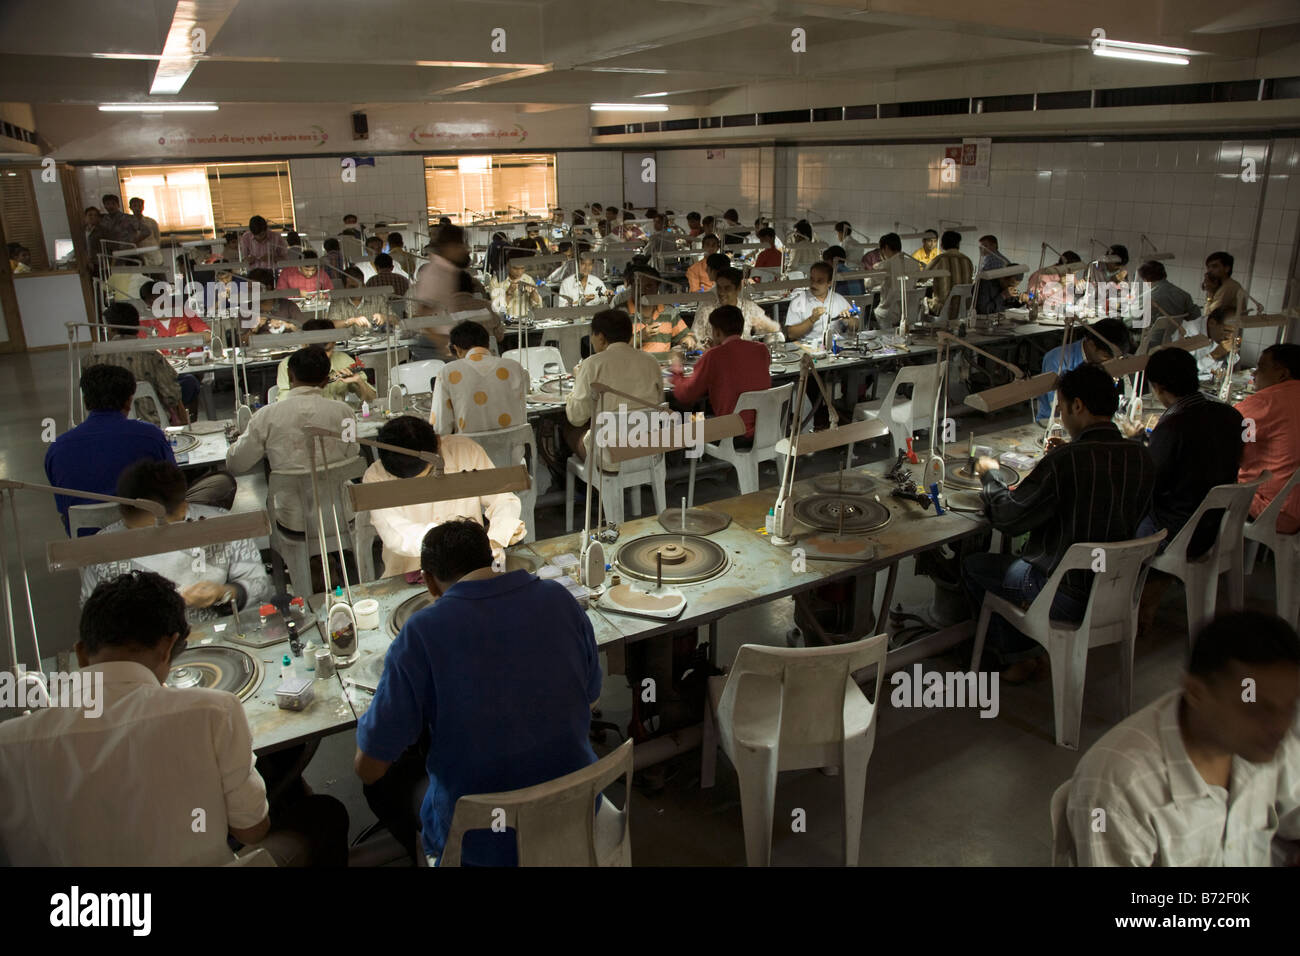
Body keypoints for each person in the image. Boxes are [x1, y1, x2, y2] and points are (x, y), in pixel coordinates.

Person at [0, 570, 349, 866]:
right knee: (322, 815)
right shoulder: (213, 712)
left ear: (80, 653)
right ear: (168, 648)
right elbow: (251, 830)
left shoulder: (9, 744)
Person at [354, 519, 601, 867]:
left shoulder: (421, 633)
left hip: (481, 842)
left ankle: (429, 856)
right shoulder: (559, 598)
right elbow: (592, 700)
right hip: (574, 811)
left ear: (427, 581)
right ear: (492, 561)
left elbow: (369, 768)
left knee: (389, 782)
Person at [964, 363, 1156, 681]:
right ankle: (1028, 647)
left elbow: (1010, 519)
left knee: (976, 566)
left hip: (1066, 595)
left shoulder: (1066, 461)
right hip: (1119, 590)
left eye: (1063, 407)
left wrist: (990, 475)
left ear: (1077, 405)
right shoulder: (1141, 456)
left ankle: (1018, 656)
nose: (1062, 416)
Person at [1063, 611, 1300, 866]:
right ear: (1196, 693)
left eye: (1290, 706)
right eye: (1256, 708)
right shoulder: (1118, 793)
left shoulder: (1266, 741)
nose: (1280, 725)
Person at [45, 365, 236, 534]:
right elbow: (176, 488)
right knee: (222, 481)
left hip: (89, 543)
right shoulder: (149, 435)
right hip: (148, 533)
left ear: (86, 401)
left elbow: (64, 509)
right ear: (129, 401)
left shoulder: (56, 449)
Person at [80, 460, 272, 624]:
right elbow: (91, 613)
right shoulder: (106, 547)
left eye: (154, 532)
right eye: (133, 530)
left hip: (212, 631)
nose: (144, 541)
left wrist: (223, 593)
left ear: (182, 509)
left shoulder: (219, 527)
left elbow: (258, 584)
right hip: (140, 644)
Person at [361, 417, 525, 584]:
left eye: (427, 472)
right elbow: (396, 534)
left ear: (438, 442)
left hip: (472, 570)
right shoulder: (376, 478)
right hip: (410, 574)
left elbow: (503, 499)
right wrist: (460, 545)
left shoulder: (465, 452)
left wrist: (496, 536)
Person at [226, 346, 361, 533]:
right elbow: (352, 453)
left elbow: (236, 464)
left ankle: (309, 559)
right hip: (341, 513)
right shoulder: (343, 412)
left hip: (295, 520)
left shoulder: (267, 416)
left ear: (290, 376)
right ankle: (333, 557)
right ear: (325, 379)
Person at [1126, 347, 1243, 557]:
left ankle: (1124, 578)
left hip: (1179, 532)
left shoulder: (1174, 427)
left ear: (1158, 388)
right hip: (1216, 526)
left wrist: (1135, 442)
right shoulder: (1231, 415)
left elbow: (1148, 482)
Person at [564, 308, 664, 465]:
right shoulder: (651, 361)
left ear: (601, 338)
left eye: (592, 335)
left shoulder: (592, 364)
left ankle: (589, 486)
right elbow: (659, 401)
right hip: (647, 450)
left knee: (569, 430)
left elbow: (576, 417)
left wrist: (578, 380)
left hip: (611, 455)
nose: (591, 340)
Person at [670, 305, 772, 443]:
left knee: (686, 414)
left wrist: (676, 367)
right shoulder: (762, 350)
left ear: (717, 332)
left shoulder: (713, 356)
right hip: (765, 429)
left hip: (731, 434)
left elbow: (685, 395)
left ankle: (680, 461)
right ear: (741, 328)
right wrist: (716, 350)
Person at [93, 301, 192, 426]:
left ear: (110, 327)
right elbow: (172, 396)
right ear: (137, 322)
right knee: (190, 383)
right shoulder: (152, 355)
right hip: (154, 424)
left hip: (111, 426)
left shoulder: (95, 359)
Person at [1236, 343, 1300, 534]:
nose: (1255, 374)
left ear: (1282, 373)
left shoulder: (1266, 402)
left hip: (1277, 511)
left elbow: (1225, 435)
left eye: (1262, 367)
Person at [431, 320, 526, 436]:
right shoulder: (514, 367)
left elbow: (441, 427)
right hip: (512, 450)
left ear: (457, 349)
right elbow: (521, 416)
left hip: (468, 451)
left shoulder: (447, 372)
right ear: (488, 344)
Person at [1034, 318, 1129, 421]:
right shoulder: (1057, 359)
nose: (1112, 362)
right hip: (1054, 423)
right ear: (1091, 345)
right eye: (1107, 357)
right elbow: (1059, 407)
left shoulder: (1109, 360)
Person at [275, 318, 376, 403]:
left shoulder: (344, 361)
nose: (322, 357)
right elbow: (284, 405)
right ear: (304, 344)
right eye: (317, 351)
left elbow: (373, 401)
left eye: (328, 350)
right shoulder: (289, 365)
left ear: (334, 343)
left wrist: (359, 381)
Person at [690, 267, 779, 347]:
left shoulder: (749, 308)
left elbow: (774, 331)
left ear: (738, 288)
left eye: (727, 288)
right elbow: (695, 339)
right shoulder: (706, 309)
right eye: (719, 287)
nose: (721, 292)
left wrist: (767, 344)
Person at [625, 266, 693, 353]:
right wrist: (639, 337)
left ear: (657, 287)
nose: (642, 291)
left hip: (663, 366)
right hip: (633, 366)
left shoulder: (668, 312)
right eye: (638, 286)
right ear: (632, 287)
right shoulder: (621, 313)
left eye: (648, 286)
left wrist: (688, 340)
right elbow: (613, 349)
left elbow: (685, 336)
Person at [411, 223, 471, 318]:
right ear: (448, 246)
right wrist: (435, 333)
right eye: (461, 245)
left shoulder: (451, 271)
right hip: (443, 332)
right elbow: (423, 313)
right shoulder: (435, 274)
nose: (466, 250)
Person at [784, 261, 851, 345]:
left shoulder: (839, 299)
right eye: (812, 279)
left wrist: (849, 320)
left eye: (820, 281)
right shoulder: (798, 302)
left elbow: (856, 324)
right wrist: (811, 320)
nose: (814, 284)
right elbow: (791, 334)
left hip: (836, 346)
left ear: (829, 283)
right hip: (809, 348)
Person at [1137, 260, 1201, 348]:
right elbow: (1195, 315)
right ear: (1164, 275)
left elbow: (1130, 322)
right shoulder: (1184, 295)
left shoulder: (1147, 297)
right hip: (1173, 342)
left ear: (1145, 279)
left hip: (1149, 344)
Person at [872, 232, 924, 328]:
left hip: (889, 313)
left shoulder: (886, 264)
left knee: (869, 311)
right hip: (910, 313)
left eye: (881, 250)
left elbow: (870, 283)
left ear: (886, 248)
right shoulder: (914, 264)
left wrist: (875, 269)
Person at [925, 230, 975, 321]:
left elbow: (921, 278)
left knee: (923, 301)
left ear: (942, 245)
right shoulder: (967, 260)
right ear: (958, 245)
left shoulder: (940, 259)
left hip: (942, 309)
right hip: (963, 309)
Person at [327, 265, 387, 330]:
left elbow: (396, 320)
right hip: (348, 339)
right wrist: (351, 321)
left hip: (376, 339)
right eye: (352, 287)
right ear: (344, 287)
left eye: (361, 286)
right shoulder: (337, 302)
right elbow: (331, 325)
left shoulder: (377, 299)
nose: (358, 290)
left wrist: (384, 317)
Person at [488, 253, 544, 318]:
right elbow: (497, 310)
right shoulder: (496, 282)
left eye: (522, 268)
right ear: (508, 265)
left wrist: (533, 293)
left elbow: (538, 306)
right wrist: (508, 293)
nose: (519, 272)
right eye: (515, 268)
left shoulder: (528, 279)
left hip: (524, 322)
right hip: (504, 323)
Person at [127, 197, 163, 265]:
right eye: (135, 206)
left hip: (153, 253)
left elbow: (157, 237)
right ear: (130, 207)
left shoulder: (151, 221)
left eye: (140, 206)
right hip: (139, 255)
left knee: (159, 273)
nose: (137, 208)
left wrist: (155, 247)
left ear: (143, 207)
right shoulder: (128, 222)